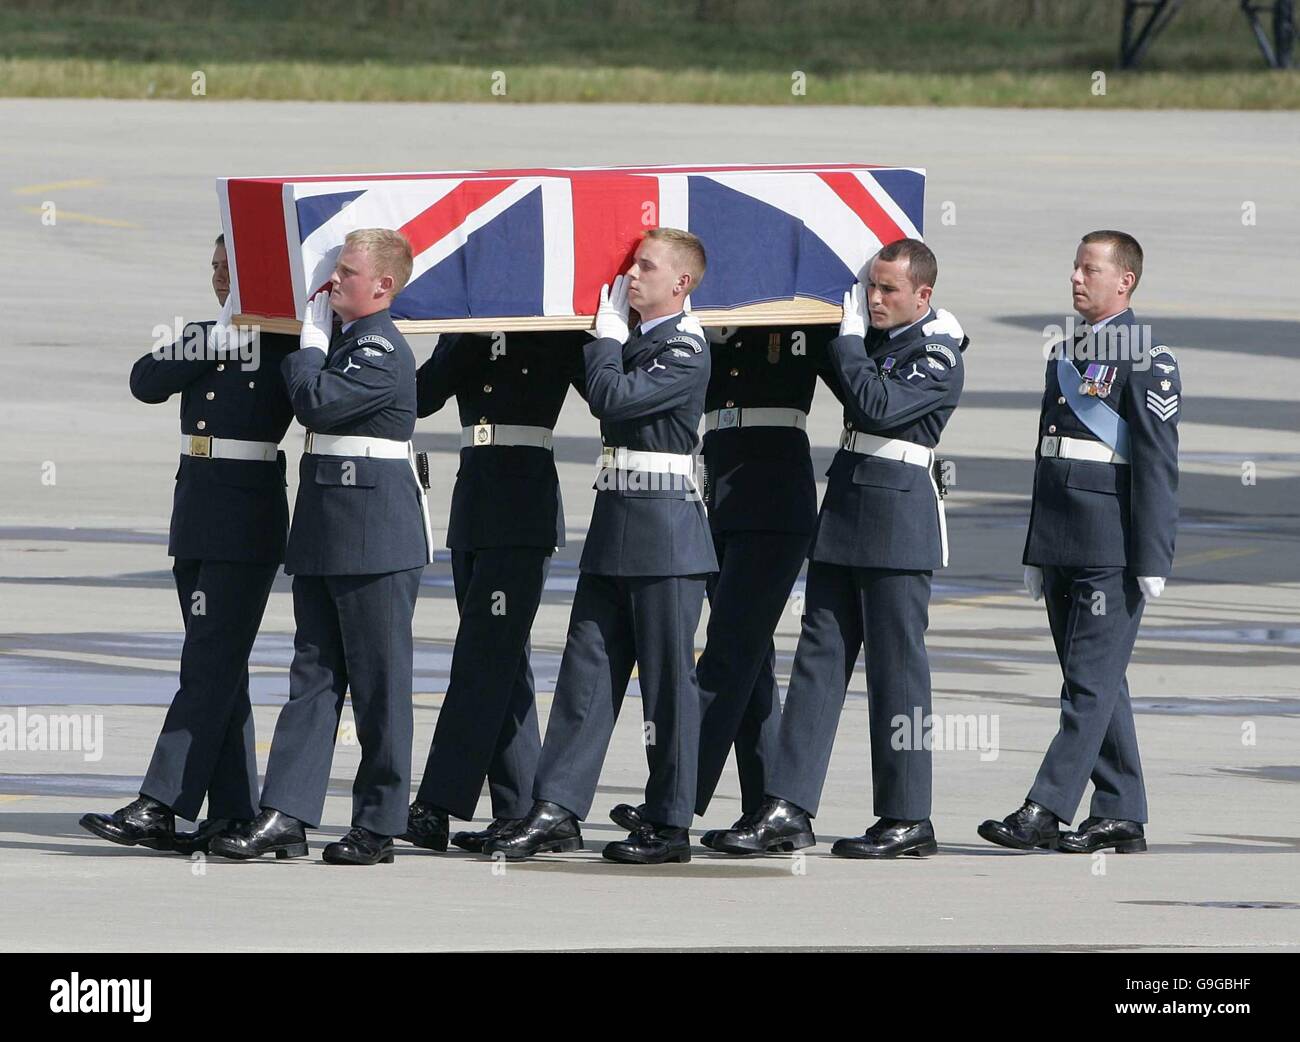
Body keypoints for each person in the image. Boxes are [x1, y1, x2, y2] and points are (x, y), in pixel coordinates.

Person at [714, 238, 968, 859]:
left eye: (889, 291)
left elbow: (877, 406)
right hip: (848, 510)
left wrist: (848, 338)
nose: (875, 299)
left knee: (897, 674)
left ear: (923, 296)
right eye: (871, 287)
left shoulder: (937, 353)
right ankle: (787, 806)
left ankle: (908, 816)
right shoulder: (878, 341)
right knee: (817, 662)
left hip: (897, 524)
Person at [484, 228, 716, 865]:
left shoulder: (685, 348)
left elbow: (613, 400)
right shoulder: (639, 342)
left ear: (682, 283)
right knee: (584, 675)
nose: (631, 276)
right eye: (631, 264)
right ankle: (556, 807)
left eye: (646, 267)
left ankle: (669, 823)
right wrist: (611, 340)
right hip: (616, 525)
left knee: (668, 686)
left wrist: (608, 338)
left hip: (667, 534)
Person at [211, 228, 431, 866]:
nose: (334, 281)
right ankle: (286, 811)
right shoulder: (346, 342)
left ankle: (379, 823)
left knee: (380, 686)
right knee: (312, 676)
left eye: (348, 272)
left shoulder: (379, 349)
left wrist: (308, 345)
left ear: (383, 286)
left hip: (376, 539)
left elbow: (316, 403)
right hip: (327, 532)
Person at [80, 234, 296, 855]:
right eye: (215, 266)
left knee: (208, 661)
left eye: (233, 266)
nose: (222, 277)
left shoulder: (285, 341)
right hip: (196, 511)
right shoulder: (205, 332)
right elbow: (145, 381)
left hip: (246, 516)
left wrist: (263, 334)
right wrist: (214, 338)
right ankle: (232, 810)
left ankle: (162, 803)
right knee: (216, 663)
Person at [979, 230, 1178, 855]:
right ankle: (1121, 811)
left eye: (1090, 270)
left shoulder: (1149, 358)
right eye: (1074, 267)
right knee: (1097, 681)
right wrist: (1038, 549)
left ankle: (1045, 808)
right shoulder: (1064, 353)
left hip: (1111, 546)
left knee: (1087, 687)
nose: (1076, 278)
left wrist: (1153, 556)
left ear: (1125, 281)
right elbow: (1049, 453)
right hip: (1062, 540)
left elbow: (1156, 463)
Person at [607, 322, 836, 849]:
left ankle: (673, 800)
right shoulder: (702, 329)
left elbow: (864, 383)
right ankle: (773, 809)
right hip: (717, 493)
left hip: (774, 502)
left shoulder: (799, 317)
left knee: (729, 652)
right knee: (750, 665)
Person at [402, 328, 587, 854]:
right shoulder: (466, 328)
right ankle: (527, 809)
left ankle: (436, 804)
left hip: (522, 510)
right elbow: (421, 398)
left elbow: (604, 398)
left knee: (483, 656)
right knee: (503, 661)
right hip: (474, 505)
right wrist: (460, 336)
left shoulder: (556, 328)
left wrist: (602, 334)